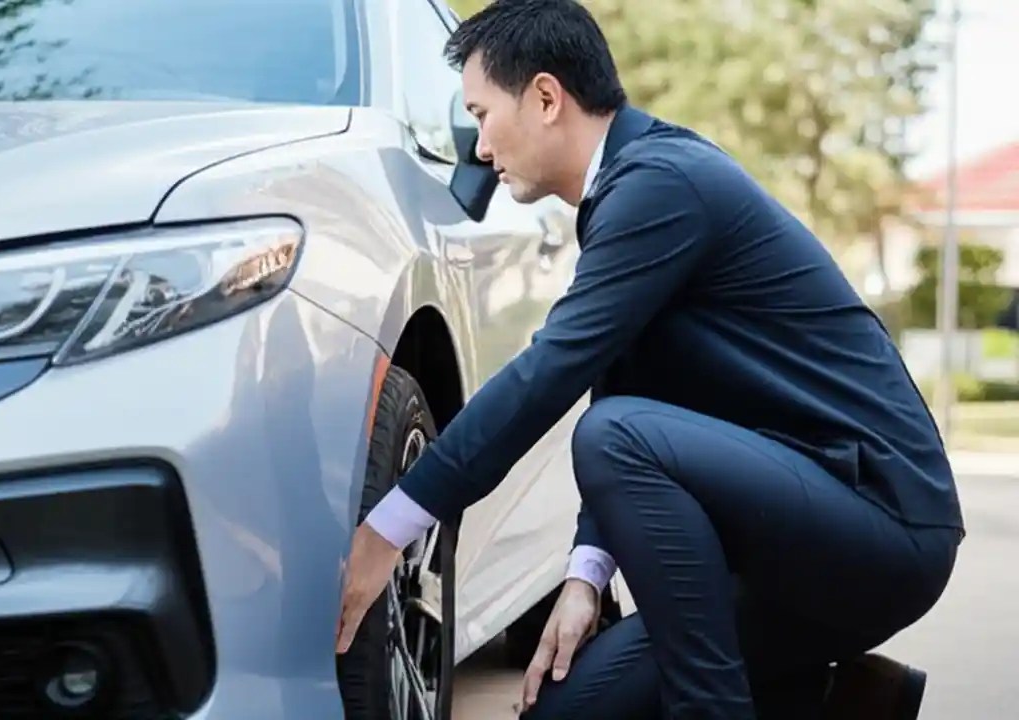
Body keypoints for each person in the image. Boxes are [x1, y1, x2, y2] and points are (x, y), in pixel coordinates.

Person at [335, 0, 965, 717]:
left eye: (482, 115)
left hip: (879, 518)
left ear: (546, 98)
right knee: (568, 709)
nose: (480, 147)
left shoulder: (663, 184)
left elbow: (553, 378)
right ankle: (831, 700)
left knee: (613, 439)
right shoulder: (628, 198)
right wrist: (584, 575)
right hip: (793, 542)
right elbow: (627, 387)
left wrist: (391, 526)